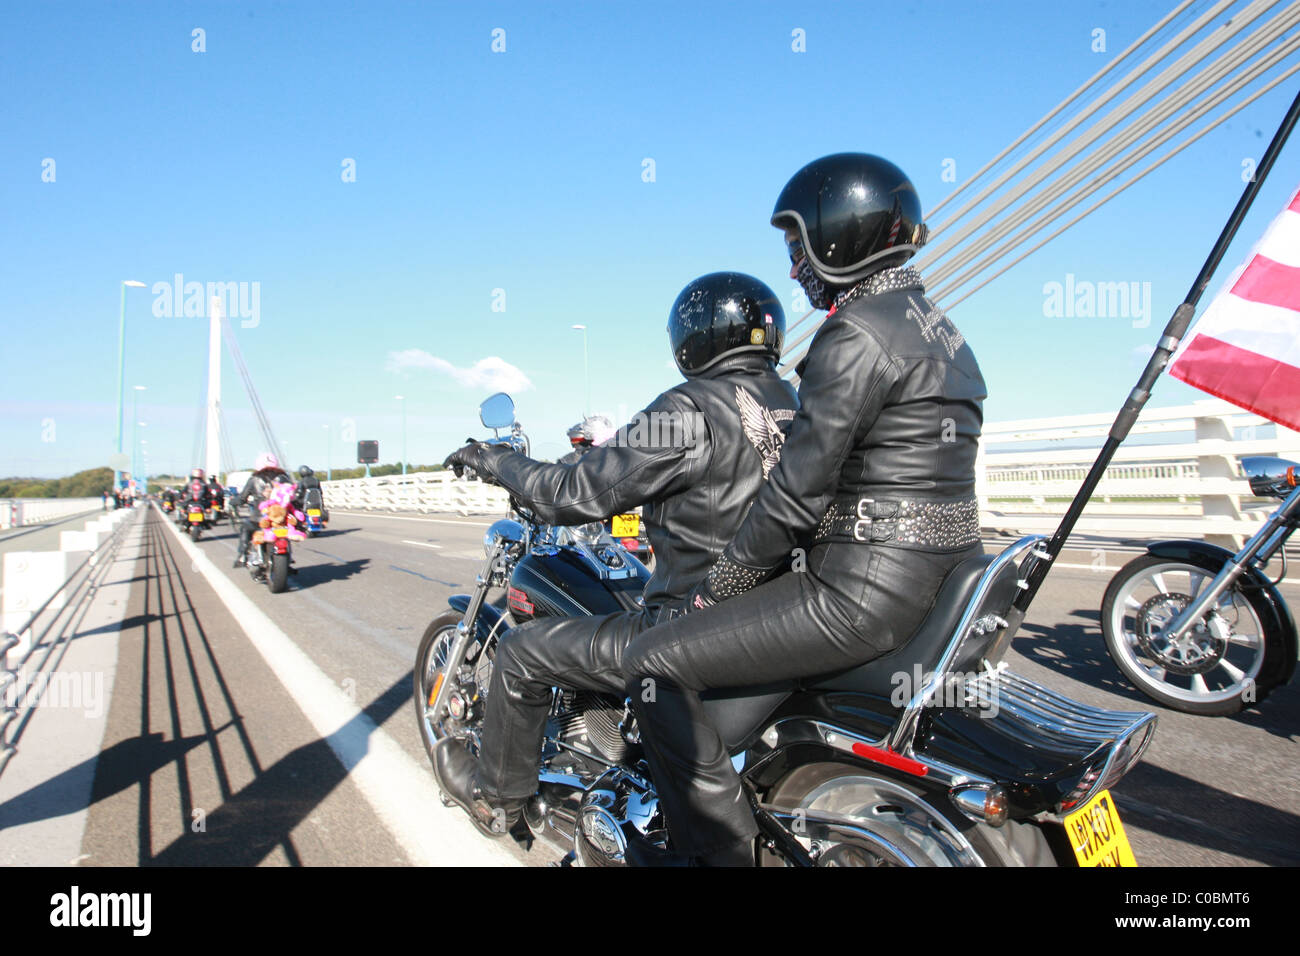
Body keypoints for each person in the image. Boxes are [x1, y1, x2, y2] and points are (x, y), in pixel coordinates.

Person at [621, 154, 988, 866]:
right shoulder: (941, 329)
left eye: (797, 248)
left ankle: (708, 853)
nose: (793, 271)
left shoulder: (856, 334)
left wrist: (713, 591)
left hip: (856, 590)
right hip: (930, 573)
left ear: (839, 237)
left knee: (650, 661)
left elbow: (796, 495)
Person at [435, 272, 799, 843]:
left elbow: (576, 492)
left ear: (693, 339)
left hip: (691, 625)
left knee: (522, 652)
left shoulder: (689, 407)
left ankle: (495, 801)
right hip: (780, 618)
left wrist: (496, 462)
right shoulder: (792, 406)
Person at [233, 453, 294, 567]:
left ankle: (242, 555)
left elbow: (242, 498)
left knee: (245, 527)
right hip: (280, 519)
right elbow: (293, 495)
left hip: (260, 519)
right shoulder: (285, 478)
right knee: (286, 532)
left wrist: (233, 502)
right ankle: (288, 558)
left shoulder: (254, 479)